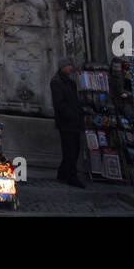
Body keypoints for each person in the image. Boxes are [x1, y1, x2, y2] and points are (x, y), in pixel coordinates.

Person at [50, 58, 85, 187]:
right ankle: (71, 176)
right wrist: (71, 115)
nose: (71, 68)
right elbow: (59, 103)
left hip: (74, 121)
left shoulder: (70, 82)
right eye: (69, 65)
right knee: (70, 150)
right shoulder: (56, 82)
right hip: (66, 122)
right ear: (63, 67)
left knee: (73, 149)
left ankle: (63, 173)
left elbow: (74, 100)